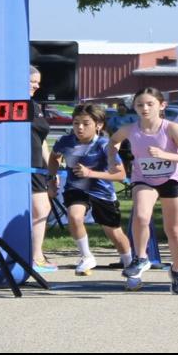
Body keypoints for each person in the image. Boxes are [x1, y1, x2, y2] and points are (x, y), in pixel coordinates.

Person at [107, 88, 178, 295]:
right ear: (134, 107)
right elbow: (113, 142)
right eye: (140, 105)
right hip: (144, 179)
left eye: (150, 104)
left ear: (162, 105)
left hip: (172, 179)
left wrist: (165, 155)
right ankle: (141, 257)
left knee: (174, 229)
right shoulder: (130, 129)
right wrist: (113, 159)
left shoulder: (172, 128)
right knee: (141, 216)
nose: (145, 108)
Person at [50, 104, 133, 275]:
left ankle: (130, 263)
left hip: (102, 192)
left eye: (86, 123)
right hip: (75, 189)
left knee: (114, 233)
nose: (80, 127)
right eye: (76, 123)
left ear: (98, 125)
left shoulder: (104, 145)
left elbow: (120, 174)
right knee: (74, 216)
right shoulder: (65, 141)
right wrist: (51, 178)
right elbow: (54, 157)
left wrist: (90, 173)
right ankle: (87, 256)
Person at [28, 67, 57, 273]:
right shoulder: (12, 105)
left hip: (37, 166)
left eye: (38, 82)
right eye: (32, 81)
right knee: (40, 208)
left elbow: (42, 140)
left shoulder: (36, 106)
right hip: (19, 165)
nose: (37, 86)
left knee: (42, 209)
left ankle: (36, 255)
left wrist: (51, 168)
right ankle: (35, 256)